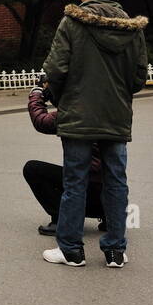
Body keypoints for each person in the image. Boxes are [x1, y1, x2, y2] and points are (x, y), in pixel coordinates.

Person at [40, 0, 147, 269]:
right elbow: (139, 77)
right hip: (116, 117)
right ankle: (115, 251)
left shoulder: (72, 23)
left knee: (75, 182)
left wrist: (63, 99)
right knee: (116, 182)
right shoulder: (133, 29)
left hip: (79, 116)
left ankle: (71, 250)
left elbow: (56, 70)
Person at [24, 76, 106, 236]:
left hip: (83, 192)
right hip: (109, 196)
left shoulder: (72, 113)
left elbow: (41, 121)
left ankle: (62, 220)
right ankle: (109, 217)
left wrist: (37, 94)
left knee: (32, 169)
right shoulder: (102, 107)